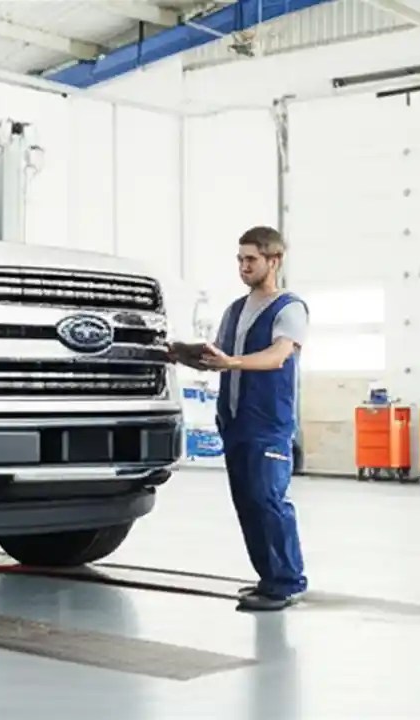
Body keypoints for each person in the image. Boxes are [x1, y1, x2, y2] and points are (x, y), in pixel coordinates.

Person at [170, 226, 309, 611]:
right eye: (240, 259)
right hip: (234, 421)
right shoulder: (235, 309)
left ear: (274, 261)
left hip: (268, 423)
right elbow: (220, 357)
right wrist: (181, 353)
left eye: (251, 259)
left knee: (269, 500)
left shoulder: (290, 308)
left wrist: (232, 362)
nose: (243, 267)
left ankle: (287, 581)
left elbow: (278, 356)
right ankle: (268, 579)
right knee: (247, 503)